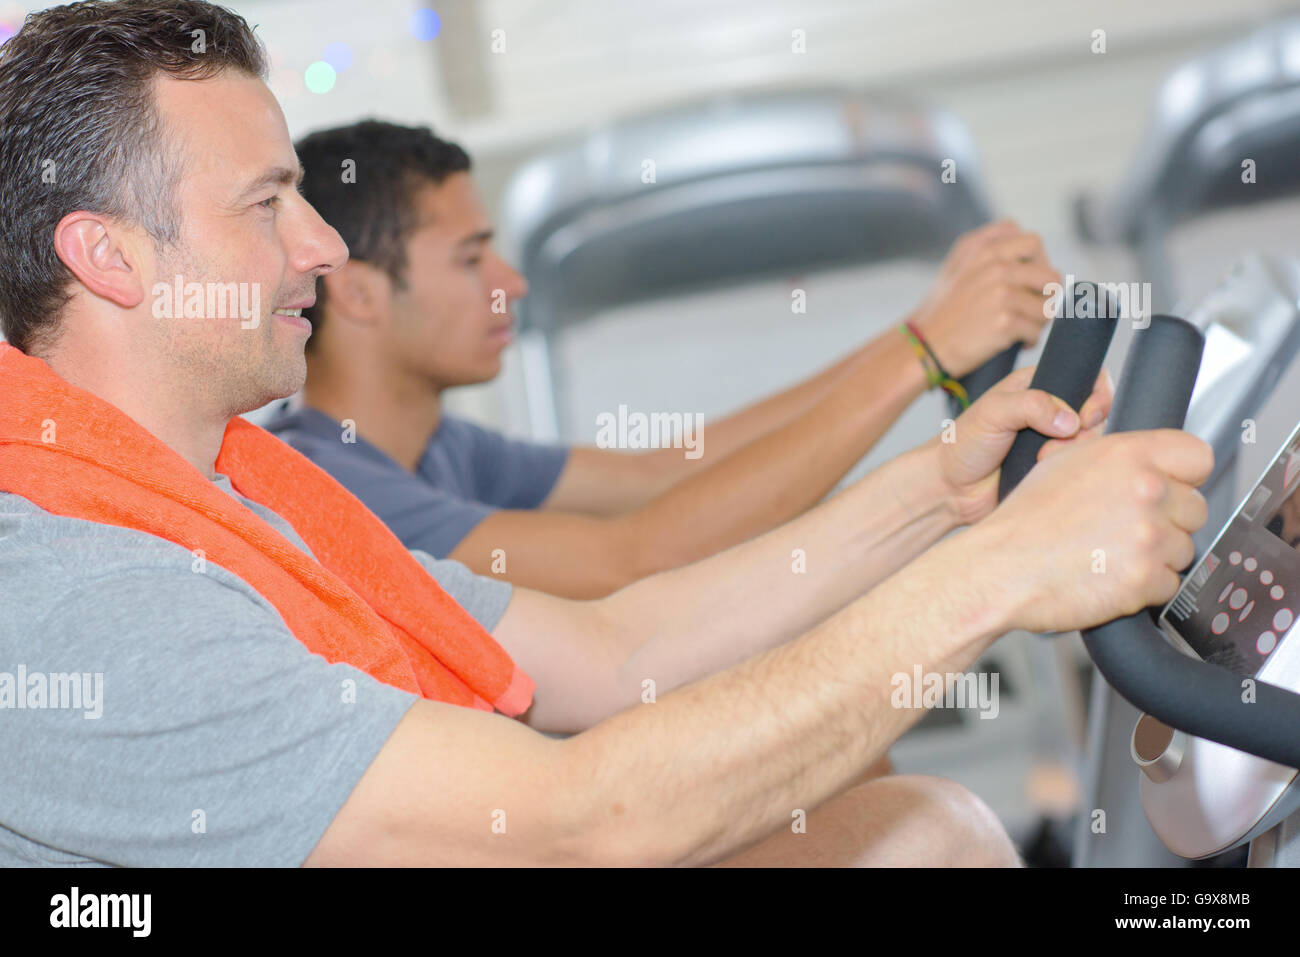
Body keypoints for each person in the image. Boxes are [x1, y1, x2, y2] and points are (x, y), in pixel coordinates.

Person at [0, 0, 1211, 868]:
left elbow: (620, 641)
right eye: (268, 203)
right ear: (107, 257)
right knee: (918, 831)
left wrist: (939, 500)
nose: (317, 245)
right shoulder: (68, 590)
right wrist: (1002, 570)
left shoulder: (247, 501)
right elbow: (584, 824)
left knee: (918, 829)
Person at [268, 119, 1065, 597]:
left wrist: (919, 335)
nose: (511, 282)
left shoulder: (442, 446)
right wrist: (921, 352)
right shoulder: (327, 482)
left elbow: (661, 477)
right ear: (363, 294)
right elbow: (640, 555)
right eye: (473, 258)